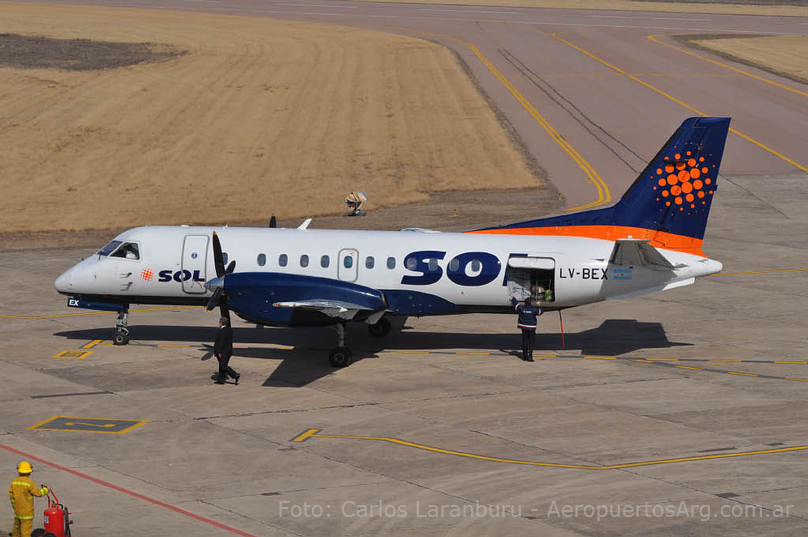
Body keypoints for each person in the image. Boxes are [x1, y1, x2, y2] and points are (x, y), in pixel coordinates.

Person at [8, 461, 48, 537]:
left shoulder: (14, 481)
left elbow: (11, 496)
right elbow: (38, 493)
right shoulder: (29, 482)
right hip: (27, 512)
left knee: (16, 528)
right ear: (29, 472)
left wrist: (14, 506)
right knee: (25, 531)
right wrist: (45, 490)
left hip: (17, 511)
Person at [511, 295, 542, 361]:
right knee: (531, 342)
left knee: (524, 341)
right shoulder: (534, 309)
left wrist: (513, 297)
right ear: (530, 303)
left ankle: (524, 356)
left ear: (525, 303)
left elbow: (515, 304)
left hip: (524, 327)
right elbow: (540, 312)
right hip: (531, 328)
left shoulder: (521, 308)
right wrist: (539, 305)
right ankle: (530, 356)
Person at [213, 316, 239, 385]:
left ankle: (235, 375)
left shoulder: (222, 330)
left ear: (221, 322)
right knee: (222, 365)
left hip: (223, 352)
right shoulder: (229, 329)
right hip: (228, 351)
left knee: (223, 365)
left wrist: (219, 351)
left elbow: (221, 341)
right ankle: (221, 380)